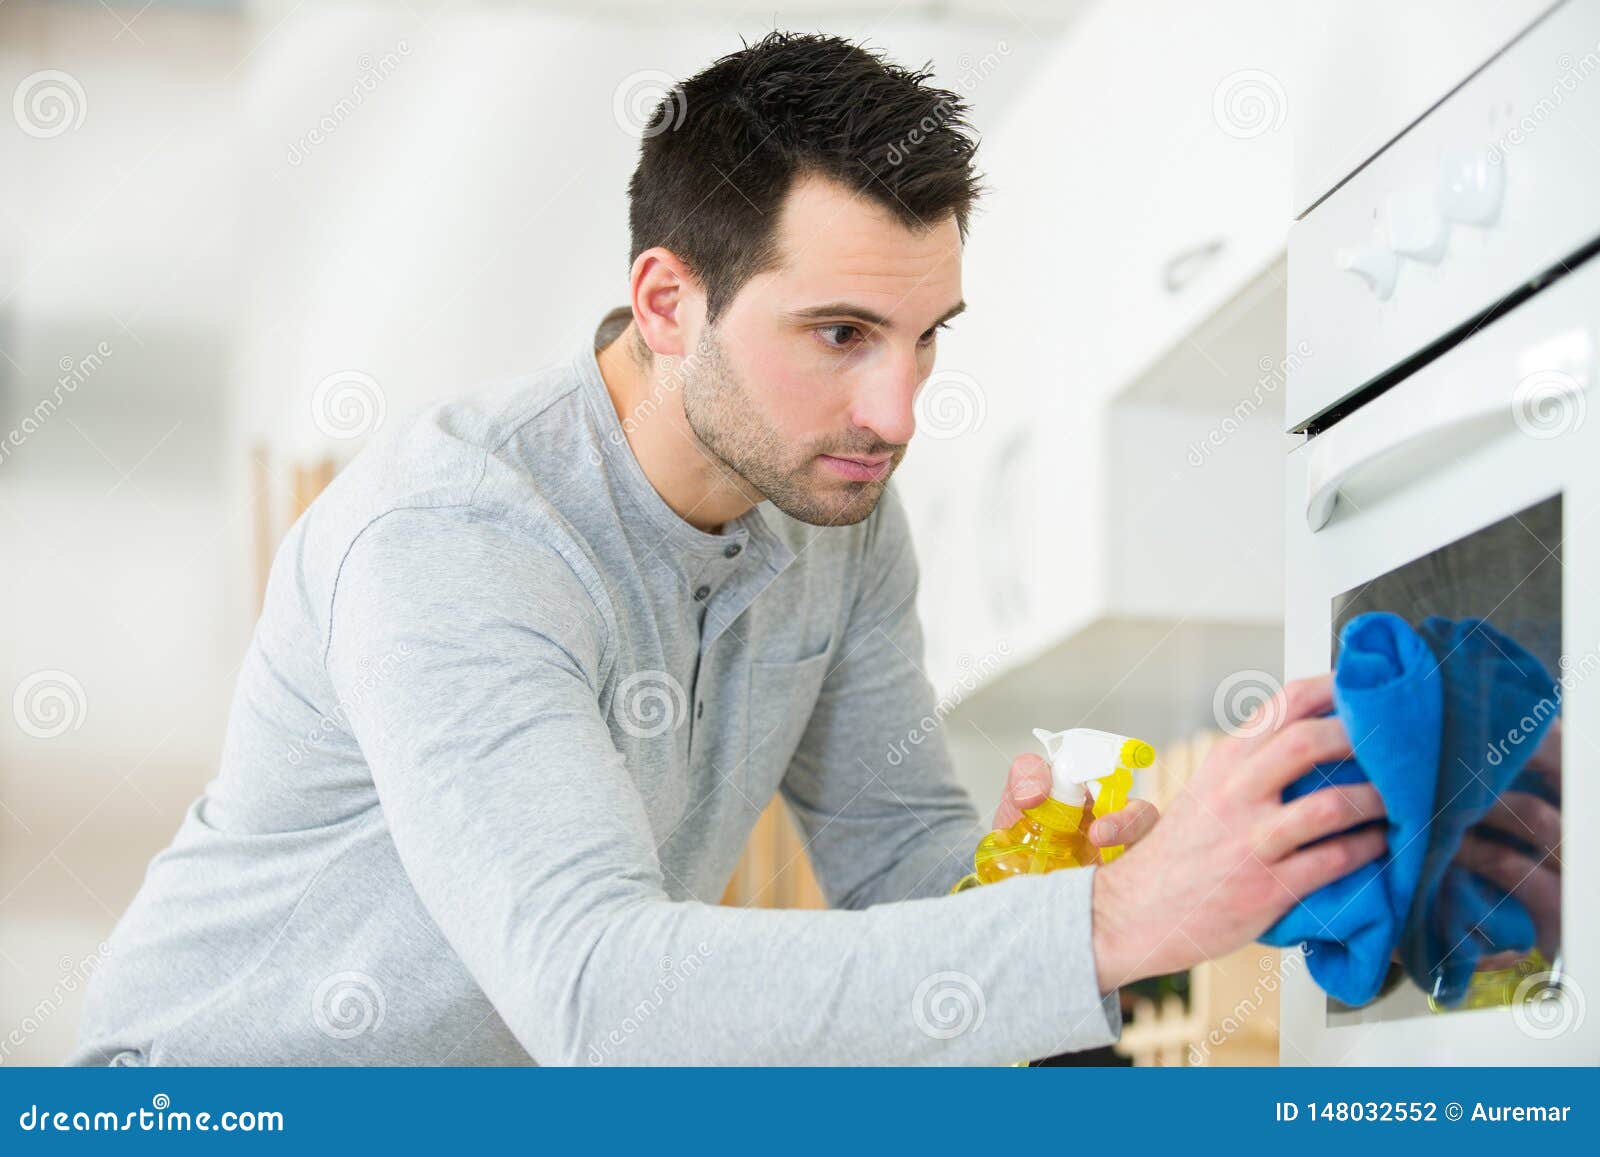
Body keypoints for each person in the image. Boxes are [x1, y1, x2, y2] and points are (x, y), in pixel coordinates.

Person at [69, 31, 1386, 1066]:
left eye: (928, 334)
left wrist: (1050, 883)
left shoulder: (837, 512)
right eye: (840, 334)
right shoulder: (455, 542)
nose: (899, 409)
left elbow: (902, 876)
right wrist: (1108, 923)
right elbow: (596, 991)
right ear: (667, 302)